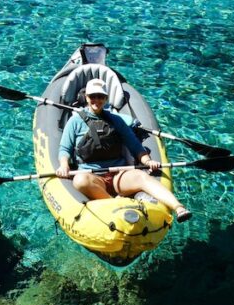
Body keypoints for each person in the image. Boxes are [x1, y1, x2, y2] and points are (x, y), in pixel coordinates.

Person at [56, 78, 192, 223]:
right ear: (86, 97)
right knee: (80, 181)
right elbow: (65, 148)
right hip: (92, 177)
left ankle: (178, 207)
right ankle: (116, 204)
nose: (97, 100)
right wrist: (64, 165)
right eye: (92, 96)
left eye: (101, 96)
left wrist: (147, 161)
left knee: (142, 176)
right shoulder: (75, 122)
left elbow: (135, 146)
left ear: (106, 98)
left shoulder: (117, 120)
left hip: (118, 175)